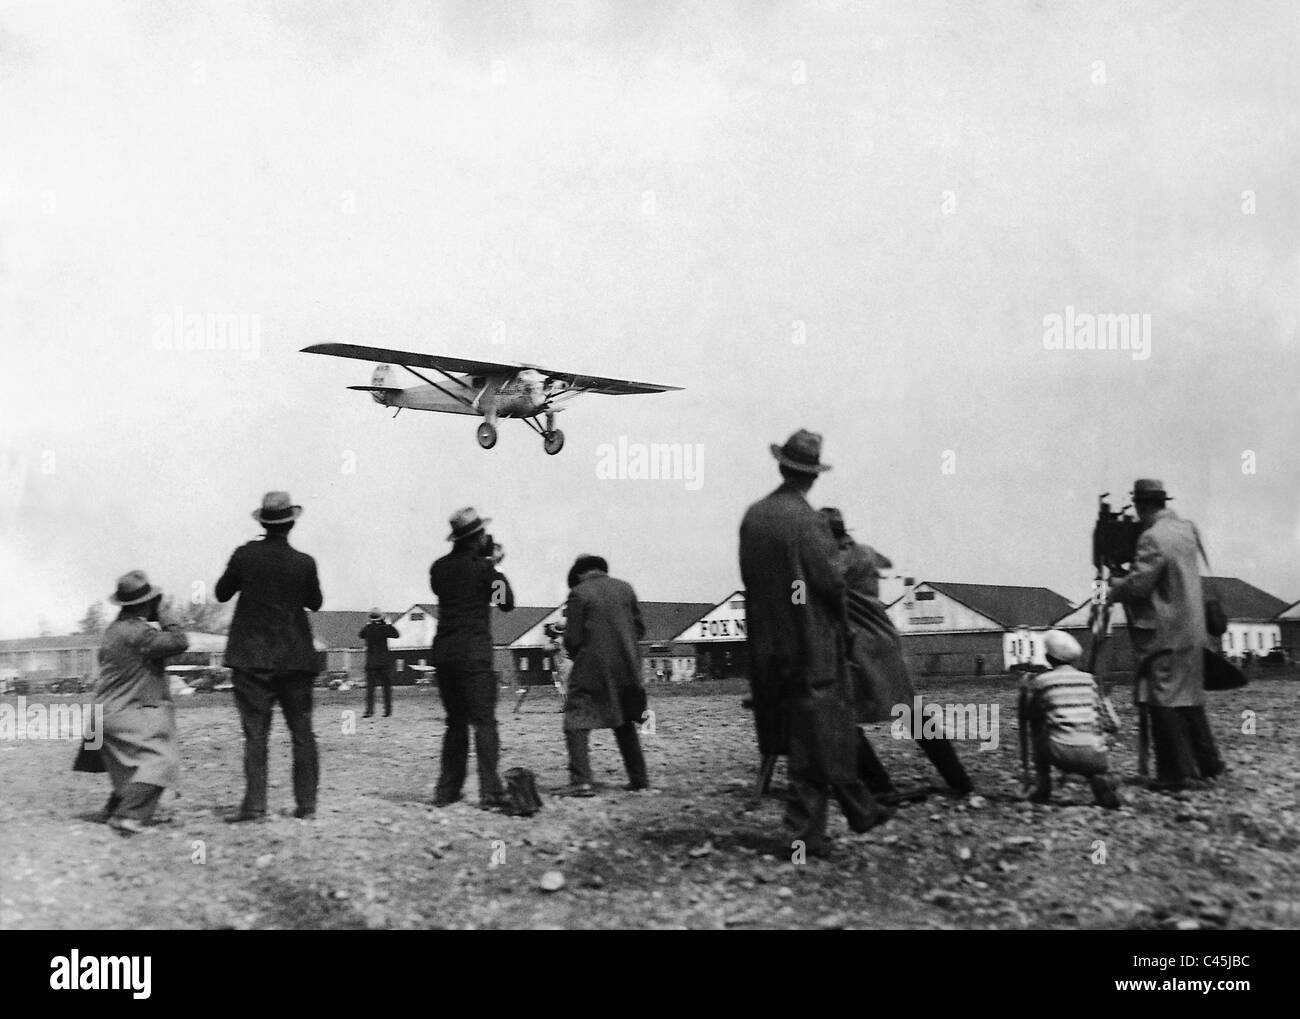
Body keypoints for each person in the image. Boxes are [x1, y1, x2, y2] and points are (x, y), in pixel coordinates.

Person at [739, 430, 892, 856]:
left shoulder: (754, 516)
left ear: (781, 465)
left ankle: (855, 810)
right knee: (821, 732)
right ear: (813, 476)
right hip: (811, 642)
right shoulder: (810, 522)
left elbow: (750, 579)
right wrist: (842, 630)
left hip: (767, 643)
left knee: (800, 731)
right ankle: (808, 834)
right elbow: (830, 585)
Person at [821, 507, 973, 800]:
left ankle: (879, 786)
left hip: (859, 642)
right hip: (886, 638)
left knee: (838, 714)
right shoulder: (863, 552)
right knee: (912, 713)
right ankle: (959, 780)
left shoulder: (832, 561)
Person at [1107, 479, 1224, 791]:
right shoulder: (1187, 529)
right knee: (1189, 698)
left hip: (1164, 632)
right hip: (1192, 630)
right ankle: (1208, 763)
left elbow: (1139, 586)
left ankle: (1178, 774)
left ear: (1141, 505)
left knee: (1162, 700)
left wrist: (1115, 587)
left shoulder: (1152, 538)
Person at [216, 491, 323, 822]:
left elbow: (222, 593)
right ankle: (306, 806)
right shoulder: (304, 562)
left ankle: (255, 807)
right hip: (295, 657)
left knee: (256, 734)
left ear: (263, 522)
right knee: (302, 733)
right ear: (291, 524)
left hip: (252, 658)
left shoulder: (244, 555)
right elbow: (315, 602)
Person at [77, 571, 189, 835]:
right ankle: (129, 817)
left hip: (103, 713)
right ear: (145, 604)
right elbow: (180, 641)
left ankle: (112, 810)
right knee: (162, 761)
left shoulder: (114, 631)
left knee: (129, 767)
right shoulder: (139, 634)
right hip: (122, 712)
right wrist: (166, 615)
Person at [429, 507, 514, 810]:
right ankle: (490, 791)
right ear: (477, 537)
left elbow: (445, 586)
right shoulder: (484, 569)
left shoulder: (438, 568)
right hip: (474, 654)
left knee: (455, 724)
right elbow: (506, 603)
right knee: (484, 722)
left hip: (444, 653)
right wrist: (494, 565)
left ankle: (446, 791)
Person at [561, 555, 649, 796]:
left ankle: (581, 782)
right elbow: (639, 629)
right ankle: (639, 779)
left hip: (593, 668)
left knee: (575, 722)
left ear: (579, 574)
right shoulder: (625, 588)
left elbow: (573, 639)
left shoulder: (579, 593)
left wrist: (579, 652)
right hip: (629, 668)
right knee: (624, 721)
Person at [1019, 630, 1121, 809]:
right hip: (1095, 754)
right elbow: (1113, 724)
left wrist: (1025, 691)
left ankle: (1043, 786)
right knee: (1092, 734)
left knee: (1038, 728)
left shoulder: (1041, 681)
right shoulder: (1089, 680)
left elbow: (1029, 715)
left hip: (1059, 752)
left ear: (1047, 658)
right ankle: (1099, 777)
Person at [358, 608, 400, 718]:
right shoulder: (385, 628)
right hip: (384, 663)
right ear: (381, 617)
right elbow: (396, 634)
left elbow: (360, 634)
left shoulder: (368, 628)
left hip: (371, 663)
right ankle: (387, 711)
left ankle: (369, 711)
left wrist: (369, 623)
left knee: (370, 690)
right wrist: (389, 624)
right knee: (386, 689)